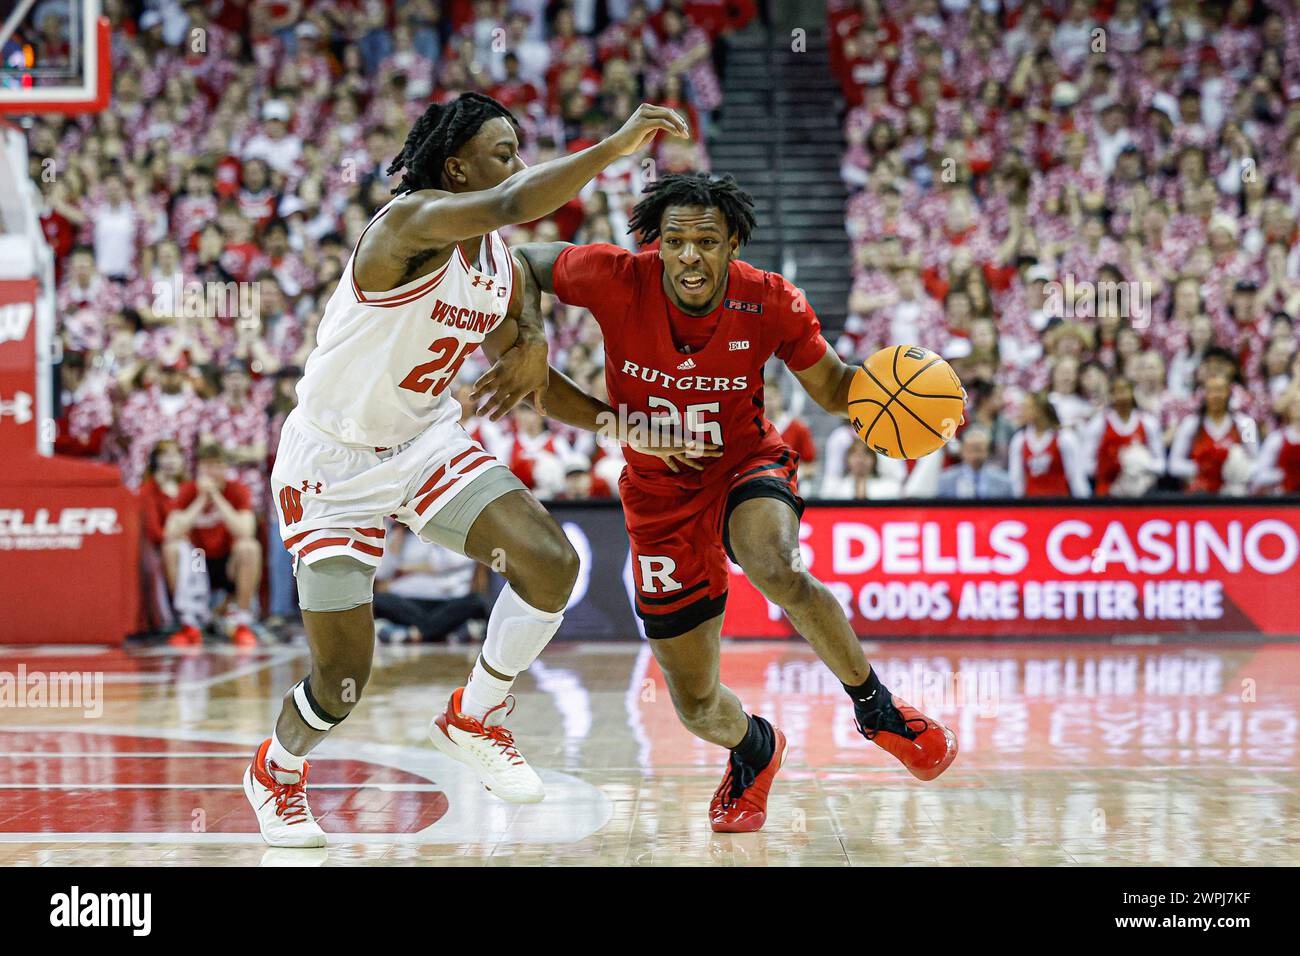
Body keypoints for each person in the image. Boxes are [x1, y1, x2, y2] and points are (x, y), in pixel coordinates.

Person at [248, 93, 693, 847]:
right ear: (456, 168)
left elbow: (535, 382)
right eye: (502, 151)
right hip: (333, 461)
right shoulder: (408, 224)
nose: (517, 166)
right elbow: (520, 199)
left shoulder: (501, 266)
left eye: (520, 151)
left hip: (425, 445)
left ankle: (475, 713)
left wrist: (621, 421)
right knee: (344, 677)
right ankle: (276, 771)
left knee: (551, 563)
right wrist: (615, 146)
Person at [515, 171, 958, 834]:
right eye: (676, 241)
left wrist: (896, 393)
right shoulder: (613, 277)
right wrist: (542, 351)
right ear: (656, 245)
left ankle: (875, 707)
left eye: (707, 241)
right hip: (657, 497)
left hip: (742, 464)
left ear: (733, 245)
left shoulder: (771, 300)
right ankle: (755, 747)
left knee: (773, 561)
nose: (690, 255)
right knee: (695, 705)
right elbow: (521, 261)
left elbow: (834, 389)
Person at [163, 442, 263, 646]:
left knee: (249, 547)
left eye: (217, 465)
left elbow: (246, 530)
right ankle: (188, 623)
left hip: (228, 563)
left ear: (226, 468)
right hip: (198, 563)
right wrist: (201, 499)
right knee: (172, 549)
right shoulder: (188, 490)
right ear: (199, 468)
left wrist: (217, 497)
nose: (212, 472)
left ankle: (242, 623)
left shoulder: (237, 490)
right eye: (207, 466)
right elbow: (171, 532)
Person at [373, 523, 490, 643]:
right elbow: (382, 573)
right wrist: (397, 537)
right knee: (379, 600)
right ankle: (442, 633)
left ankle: (413, 633)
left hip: (447, 602)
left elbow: (449, 562)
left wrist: (407, 569)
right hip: (408, 602)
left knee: (477, 601)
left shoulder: (451, 533)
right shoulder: (396, 534)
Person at [1167, 375, 1258, 494]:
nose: (1216, 395)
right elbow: (1174, 464)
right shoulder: (1190, 424)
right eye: (1211, 391)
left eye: (1220, 390)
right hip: (1199, 493)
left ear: (1229, 393)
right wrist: (1202, 468)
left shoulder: (1246, 424)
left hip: (1232, 491)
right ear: (1204, 394)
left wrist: (1235, 470)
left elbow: (1257, 462)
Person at [1008, 392, 1091, 497]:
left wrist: (1085, 507)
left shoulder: (1064, 438)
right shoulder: (1019, 440)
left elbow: (1076, 477)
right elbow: (1016, 479)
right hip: (1030, 507)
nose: (1021, 412)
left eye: (1025, 407)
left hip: (1058, 506)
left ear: (1038, 410)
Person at [935, 426, 1013, 499]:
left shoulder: (1004, 482)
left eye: (979, 449)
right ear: (962, 450)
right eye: (970, 449)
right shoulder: (945, 480)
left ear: (988, 451)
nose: (975, 454)